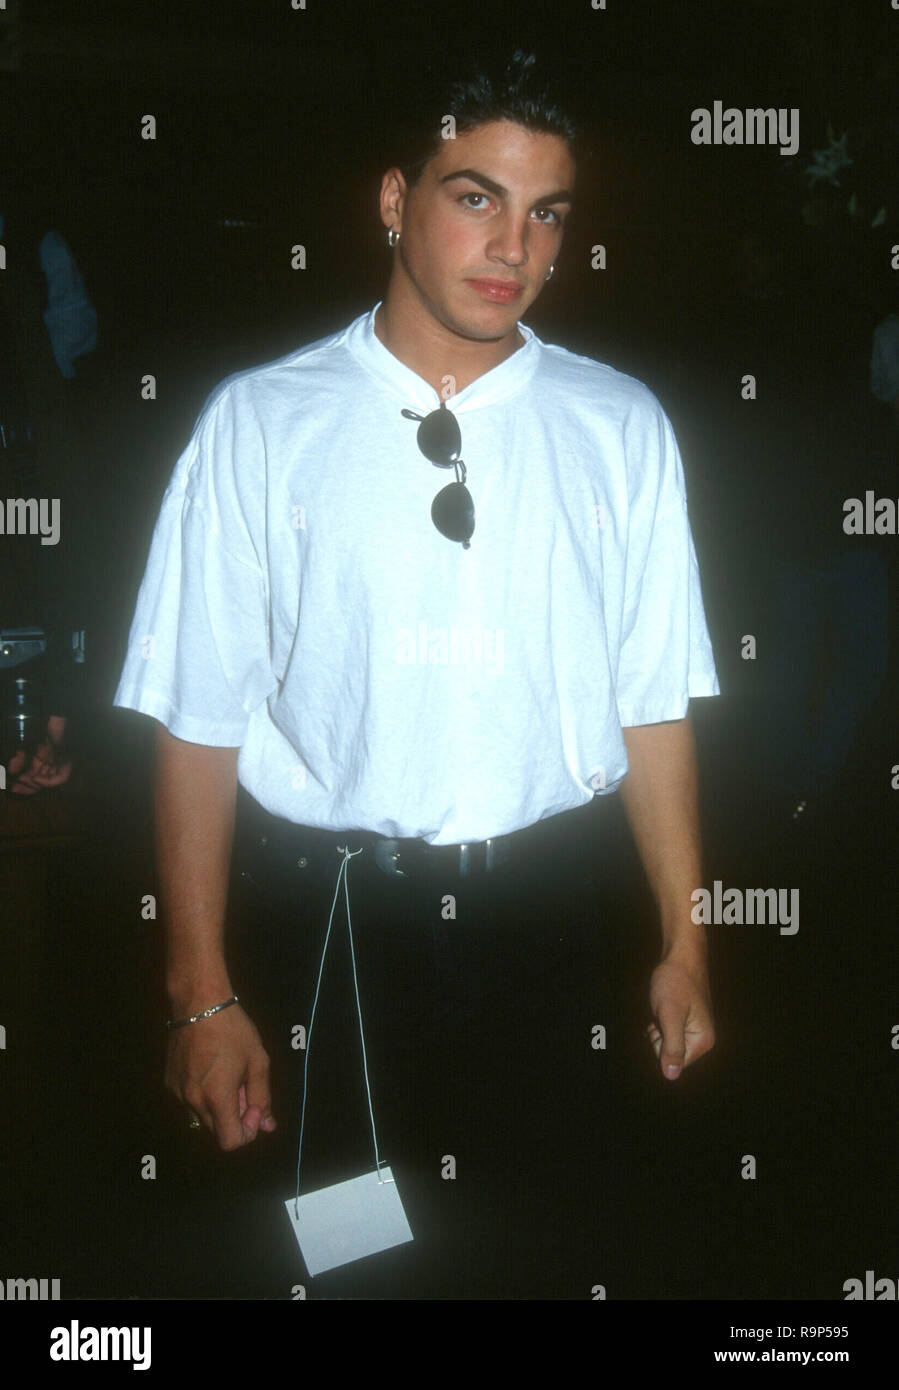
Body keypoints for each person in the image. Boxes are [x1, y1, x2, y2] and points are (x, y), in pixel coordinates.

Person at [114, 49, 719, 1170]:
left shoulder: (621, 424)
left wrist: (685, 940)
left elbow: (653, 700)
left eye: (545, 214)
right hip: (333, 922)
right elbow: (196, 720)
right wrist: (199, 996)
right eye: (474, 197)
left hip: (562, 921)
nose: (513, 248)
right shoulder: (261, 422)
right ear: (397, 202)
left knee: (553, 1236)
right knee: (342, 1258)